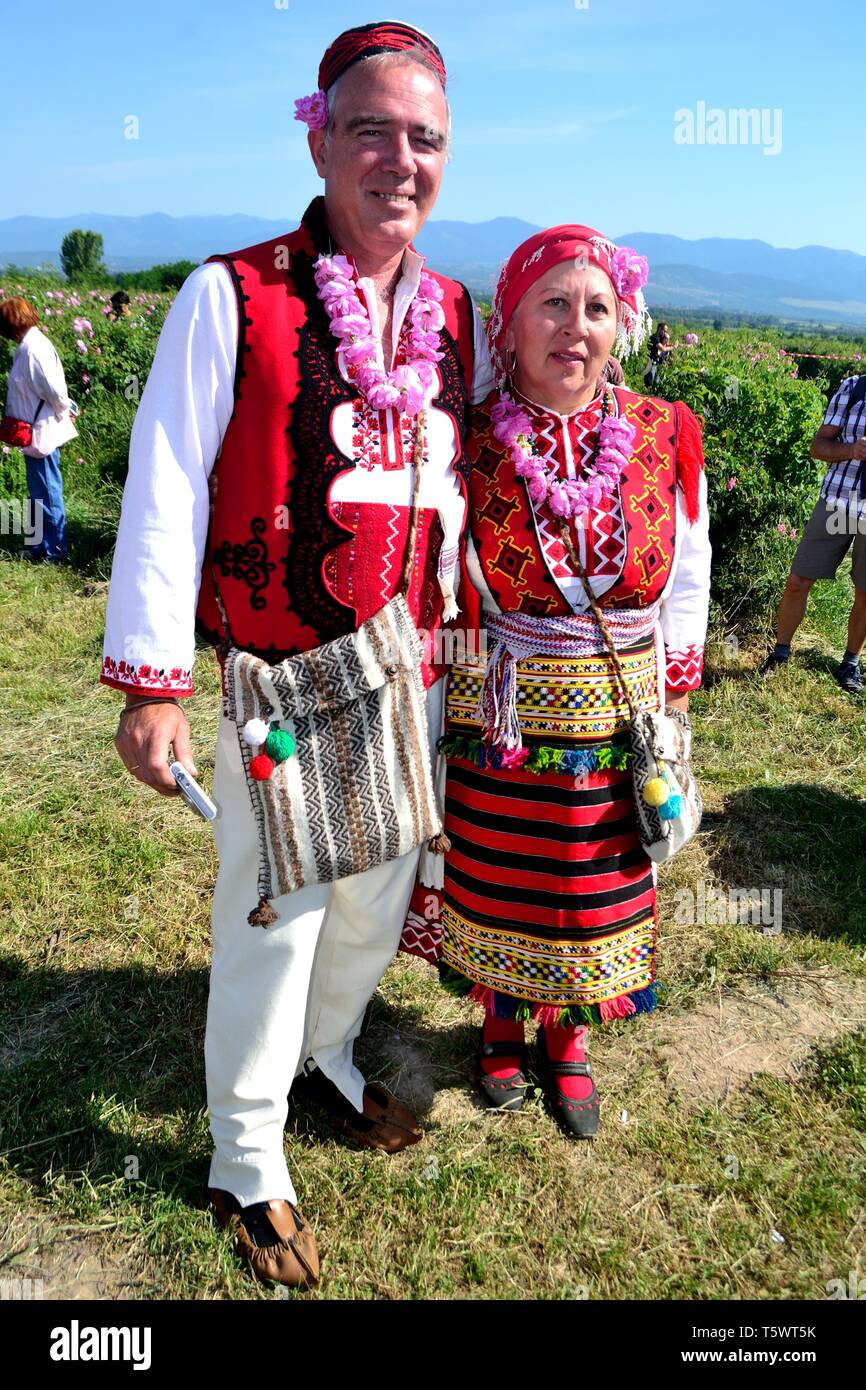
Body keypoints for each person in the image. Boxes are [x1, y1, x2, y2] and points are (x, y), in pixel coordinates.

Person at [101, 21, 494, 1289]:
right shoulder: (234, 292)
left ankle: (322, 1053)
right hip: (277, 675)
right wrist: (154, 682)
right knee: (276, 913)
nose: (397, 157)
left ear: (447, 156)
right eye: (368, 128)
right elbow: (163, 481)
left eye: (421, 136)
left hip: (408, 676)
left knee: (375, 899)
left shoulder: (453, 315)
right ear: (317, 137)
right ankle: (243, 1155)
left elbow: (454, 498)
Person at [403, 225, 711, 1137]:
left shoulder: (662, 433)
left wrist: (676, 691)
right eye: (554, 304)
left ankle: (566, 1038)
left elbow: (688, 566)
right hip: (501, 706)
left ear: (623, 326)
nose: (575, 328)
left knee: (595, 878)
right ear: (510, 323)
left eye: (598, 308)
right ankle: (499, 1022)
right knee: (502, 871)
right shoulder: (463, 441)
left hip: (620, 711)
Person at [760, 372, 866, 694]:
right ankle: (780, 653)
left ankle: (850, 662)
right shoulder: (853, 388)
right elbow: (818, 446)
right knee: (798, 580)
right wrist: (853, 450)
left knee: (865, 592)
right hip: (838, 499)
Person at [0, 297, 79, 562]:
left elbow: (55, 391)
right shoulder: (27, 346)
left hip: (42, 430)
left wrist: (64, 410)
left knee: (47, 491)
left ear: (12, 324)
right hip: (32, 431)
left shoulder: (34, 350)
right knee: (37, 493)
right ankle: (38, 546)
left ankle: (56, 550)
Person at [643, 321, 673, 390]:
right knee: (650, 382)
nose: (665, 333)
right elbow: (663, 348)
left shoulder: (659, 339)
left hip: (657, 363)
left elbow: (666, 344)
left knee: (656, 383)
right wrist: (673, 347)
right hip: (651, 363)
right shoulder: (654, 338)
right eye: (664, 331)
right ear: (659, 329)